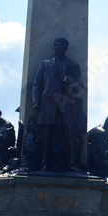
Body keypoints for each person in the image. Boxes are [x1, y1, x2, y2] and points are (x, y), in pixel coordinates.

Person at [31, 37, 84, 171]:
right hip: (48, 103)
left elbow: (80, 86)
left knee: (70, 131)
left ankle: (71, 163)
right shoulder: (45, 63)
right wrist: (36, 101)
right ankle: (45, 163)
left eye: (60, 45)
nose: (57, 47)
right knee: (46, 134)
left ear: (66, 47)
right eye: (55, 45)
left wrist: (71, 82)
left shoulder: (73, 65)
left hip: (66, 103)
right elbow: (37, 84)